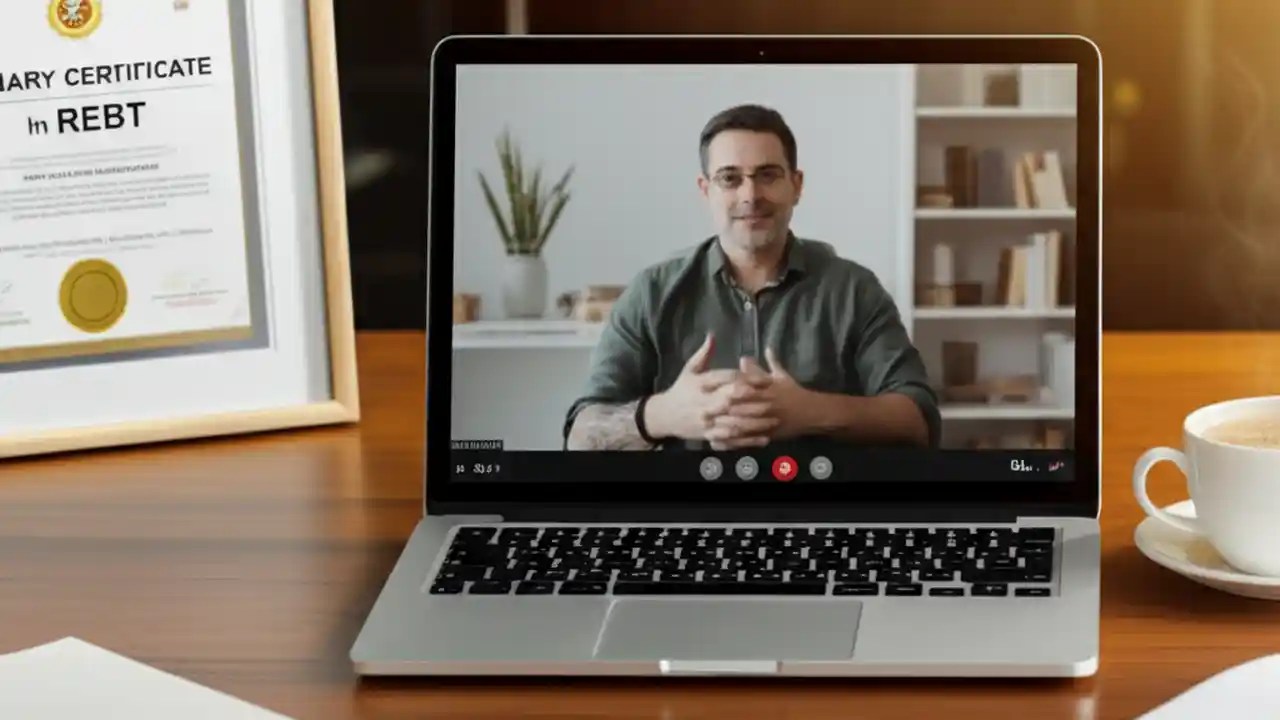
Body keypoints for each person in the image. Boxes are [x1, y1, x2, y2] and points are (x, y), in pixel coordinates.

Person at [563, 103, 939, 453]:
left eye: (768, 175)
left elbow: (919, 420)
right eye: (730, 178)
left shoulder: (855, 291)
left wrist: (811, 412)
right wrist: (664, 414)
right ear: (705, 190)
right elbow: (580, 436)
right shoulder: (651, 294)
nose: (751, 195)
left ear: (797, 185)